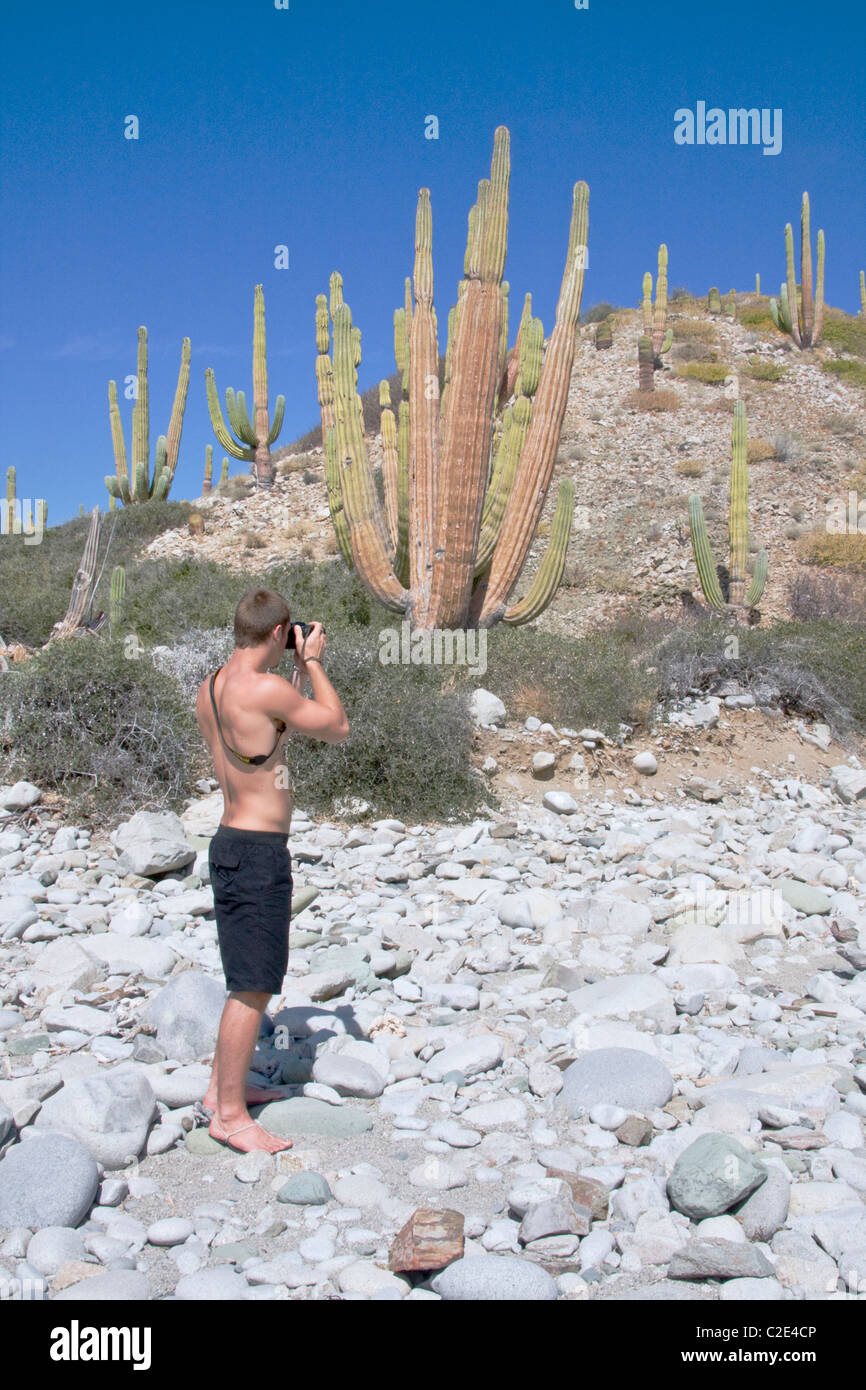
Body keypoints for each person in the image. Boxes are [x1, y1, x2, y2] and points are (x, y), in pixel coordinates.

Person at [194, 587, 349, 1153]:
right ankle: (230, 1117)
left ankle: (219, 1090)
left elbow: (269, 735)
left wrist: (294, 679)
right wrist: (311, 662)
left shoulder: (210, 689)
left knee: (244, 978)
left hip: (229, 841)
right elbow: (335, 726)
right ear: (282, 633)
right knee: (252, 988)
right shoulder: (269, 687)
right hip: (259, 854)